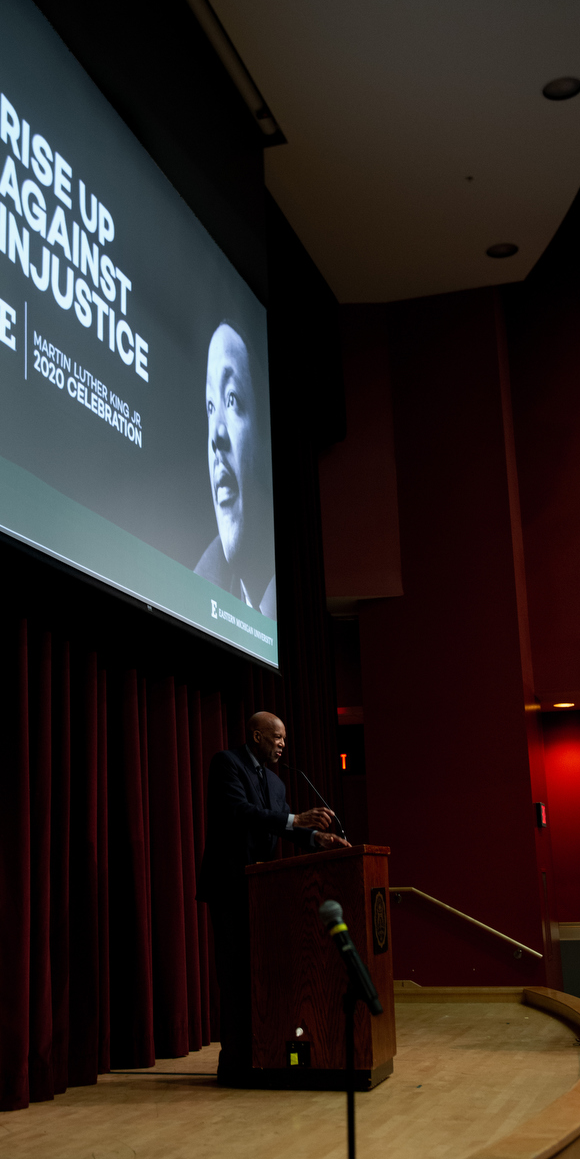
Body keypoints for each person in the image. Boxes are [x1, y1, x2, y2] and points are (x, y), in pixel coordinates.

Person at [197, 710, 350, 1083]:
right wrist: (296, 821)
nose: (283, 744)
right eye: (277, 737)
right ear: (256, 736)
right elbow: (239, 812)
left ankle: (265, 1053)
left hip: (265, 894)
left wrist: (317, 839)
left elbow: (285, 825)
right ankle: (234, 1065)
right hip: (231, 886)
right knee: (235, 974)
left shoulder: (278, 784)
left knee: (265, 974)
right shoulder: (227, 764)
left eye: (284, 738)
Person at [195, 321, 276, 617]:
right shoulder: (199, 599)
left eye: (232, 400)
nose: (216, 434)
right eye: (210, 406)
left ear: (267, 438)